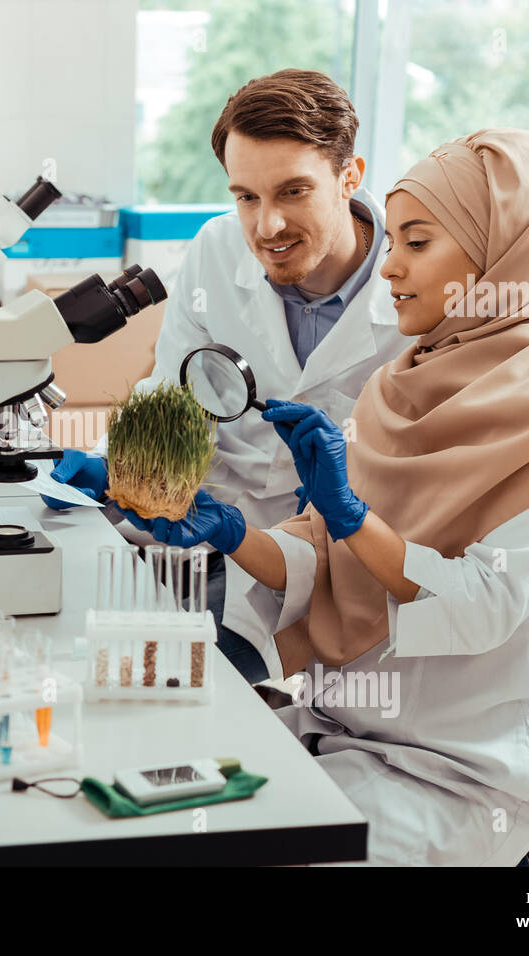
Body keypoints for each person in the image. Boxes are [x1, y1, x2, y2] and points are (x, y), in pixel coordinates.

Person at [116, 128, 529, 866]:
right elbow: (320, 558)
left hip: (455, 768)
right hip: (342, 728)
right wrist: (230, 532)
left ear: (505, 256)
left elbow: (482, 606)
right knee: (148, 813)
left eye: (416, 244)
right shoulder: (402, 383)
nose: (389, 268)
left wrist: (356, 520)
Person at [42, 70, 410, 685]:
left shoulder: (413, 292)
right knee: (79, 652)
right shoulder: (215, 249)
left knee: (186, 695)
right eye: (246, 196)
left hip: (325, 573)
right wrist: (120, 473)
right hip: (196, 534)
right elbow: (173, 398)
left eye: (293, 192)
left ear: (350, 176)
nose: (267, 227)